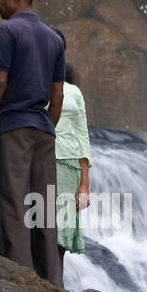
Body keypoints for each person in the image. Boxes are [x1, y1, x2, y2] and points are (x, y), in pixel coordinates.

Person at [0, 0, 65, 288]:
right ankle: (51, 282)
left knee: (12, 204)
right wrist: (46, 126)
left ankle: (19, 282)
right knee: (42, 205)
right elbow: (58, 96)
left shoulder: (7, 31)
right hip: (43, 130)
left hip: (12, 127)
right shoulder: (54, 38)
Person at [51, 29, 91, 267]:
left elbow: (82, 136)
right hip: (42, 162)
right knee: (40, 224)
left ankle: (56, 287)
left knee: (62, 234)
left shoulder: (74, 92)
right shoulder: (32, 84)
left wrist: (85, 184)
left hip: (69, 167)